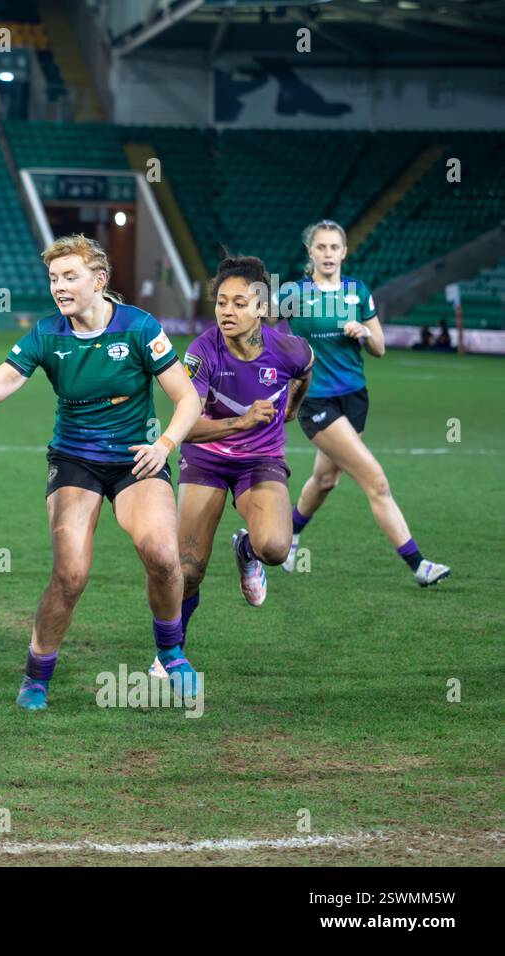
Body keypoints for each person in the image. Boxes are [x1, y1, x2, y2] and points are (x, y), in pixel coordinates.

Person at [0, 234, 202, 710]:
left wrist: (165, 444)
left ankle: (171, 651)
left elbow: (188, 398)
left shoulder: (139, 327)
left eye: (70, 276)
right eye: (53, 278)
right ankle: (37, 674)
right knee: (70, 574)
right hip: (74, 460)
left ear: (100, 279)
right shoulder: (46, 335)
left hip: (138, 458)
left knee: (162, 553)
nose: (59, 286)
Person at [274, 220, 450, 586]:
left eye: (333, 247)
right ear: (311, 252)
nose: (327, 254)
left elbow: (380, 349)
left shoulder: (358, 292)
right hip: (316, 400)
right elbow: (262, 327)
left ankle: (283, 539)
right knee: (376, 481)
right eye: (320, 247)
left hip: (355, 398)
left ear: (343, 252)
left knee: (325, 480)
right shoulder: (293, 293)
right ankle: (419, 565)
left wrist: (365, 332)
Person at [171, 254, 314, 657]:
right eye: (221, 302)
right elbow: (184, 424)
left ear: (262, 308)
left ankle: (246, 549)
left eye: (238, 302)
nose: (227, 311)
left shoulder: (288, 348)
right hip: (206, 460)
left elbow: (305, 370)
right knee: (187, 570)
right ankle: (171, 653)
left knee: (275, 548)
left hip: (260, 460)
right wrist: (241, 422)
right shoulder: (203, 352)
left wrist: (294, 408)